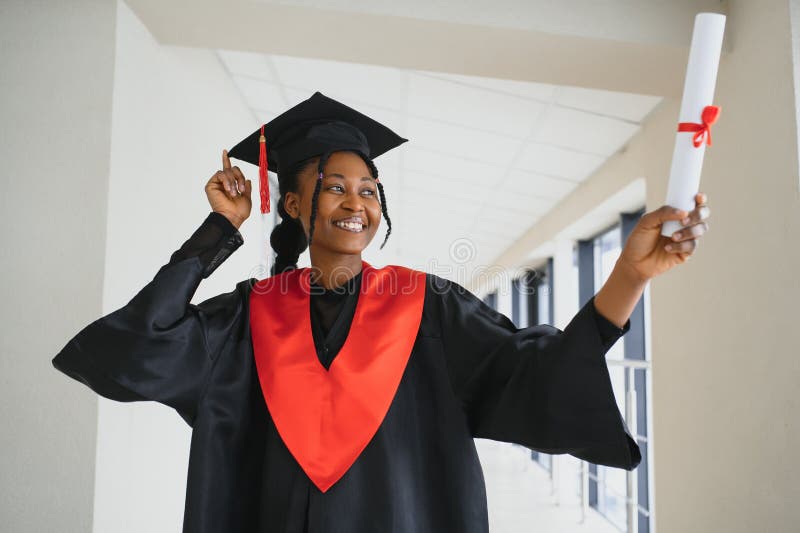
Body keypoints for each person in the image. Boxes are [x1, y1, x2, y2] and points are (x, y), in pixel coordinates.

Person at [52, 91, 710, 532]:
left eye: (369, 189)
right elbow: (131, 349)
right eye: (334, 186)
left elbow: (533, 371)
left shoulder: (429, 307)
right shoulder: (245, 318)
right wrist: (218, 230)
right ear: (292, 204)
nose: (356, 202)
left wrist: (629, 275)